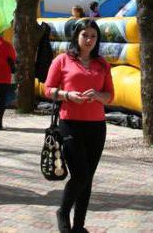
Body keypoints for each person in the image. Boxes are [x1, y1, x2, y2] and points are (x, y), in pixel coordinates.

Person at [44, 19, 114, 233]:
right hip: (70, 124)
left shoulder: (102, 64)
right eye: (85, 35)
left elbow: (110, 96)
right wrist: (67, 95)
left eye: (93, 36)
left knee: (88, 178)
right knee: (81, 174)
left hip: (97, 126)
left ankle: (79, 226)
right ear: (76, 36)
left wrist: (98, 96)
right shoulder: (62, 60)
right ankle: (63, 212)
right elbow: (47, 89)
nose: (89, 40)